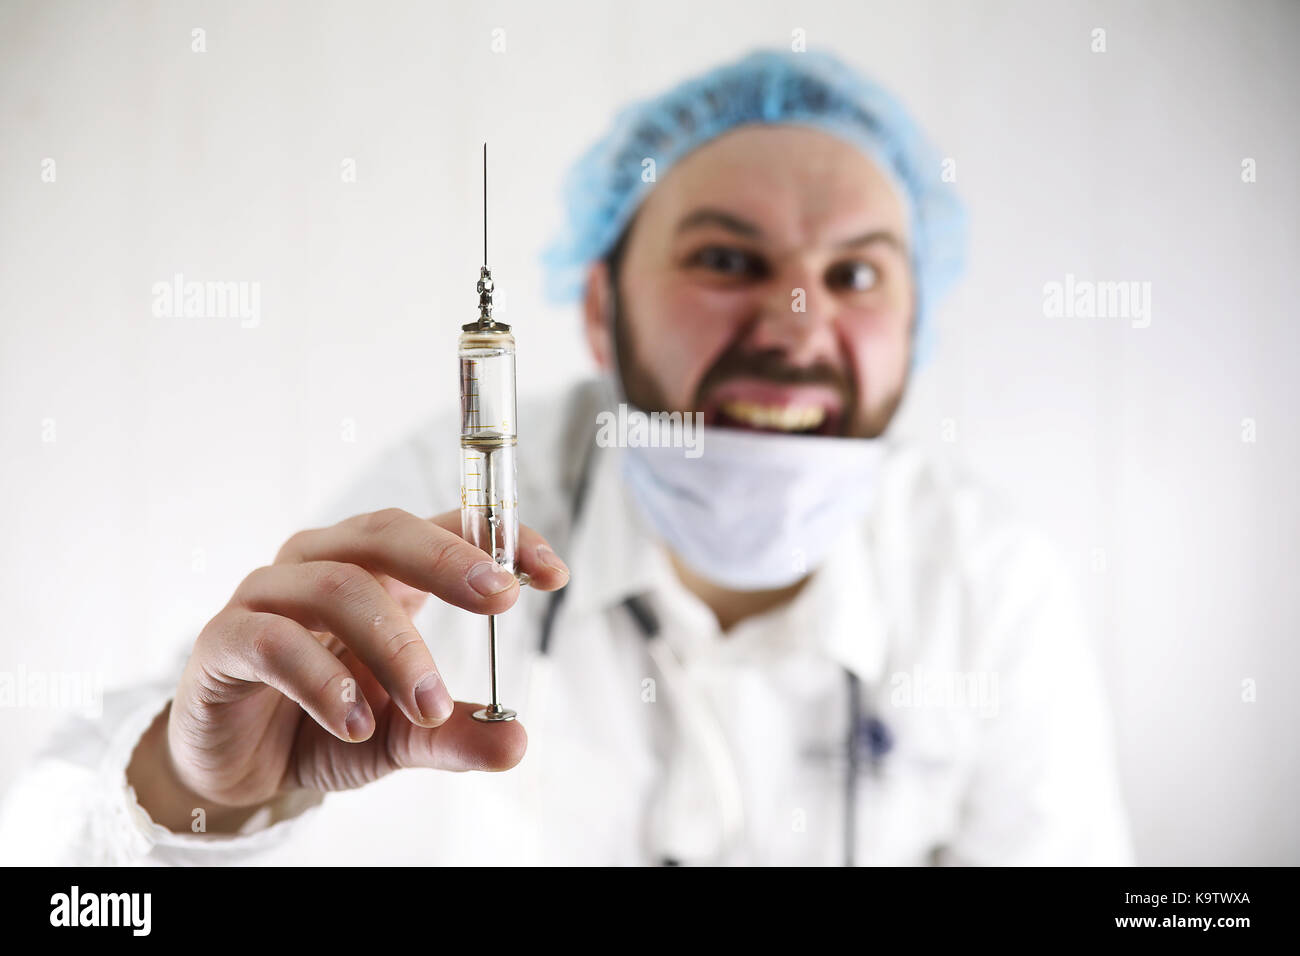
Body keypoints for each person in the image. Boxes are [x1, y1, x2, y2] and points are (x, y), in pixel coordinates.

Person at [0, 48, 1133, 866]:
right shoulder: (454, 517)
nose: (797, 323)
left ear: (918, 316)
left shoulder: (987, 578)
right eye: (728, 257)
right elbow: (49, 869)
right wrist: (198, 796)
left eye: (856, 274)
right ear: (600, 311)